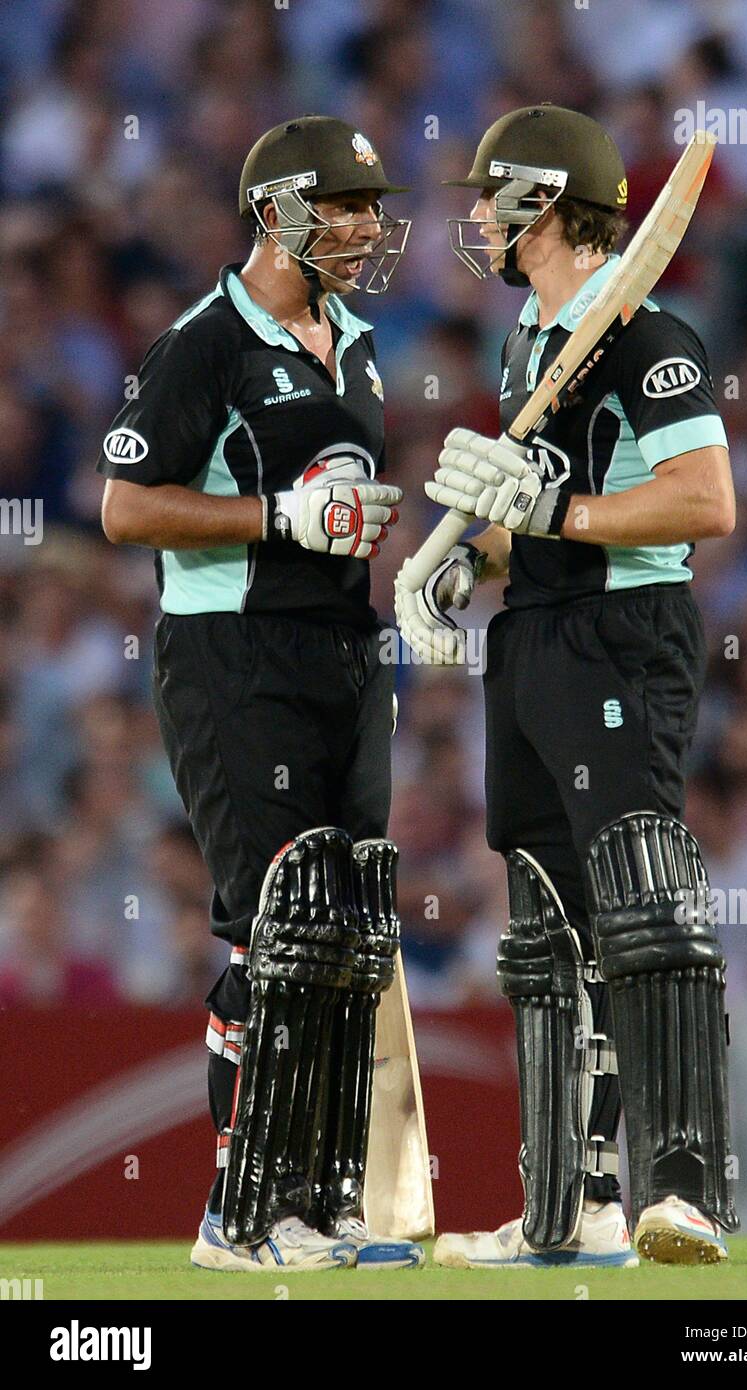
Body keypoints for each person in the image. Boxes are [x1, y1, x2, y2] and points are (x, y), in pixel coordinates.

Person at [397, 104, 739, 1267]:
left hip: (621, 629)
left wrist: (556, 514)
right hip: (534, 630)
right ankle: (567, 1207)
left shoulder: (646, 332)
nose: (477, 219)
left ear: (541, 199)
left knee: (641, 898)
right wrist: (465, 556)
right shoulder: (530, 343)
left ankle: (686, 1187)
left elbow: (703, 500)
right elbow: (534, 517)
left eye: (491, 196)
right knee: (547, 929)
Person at [99, 115, 423, 1271]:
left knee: (344, 933)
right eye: (347, 205)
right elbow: (127, 506)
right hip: (231, 652)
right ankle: (237, 1211)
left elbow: (347, 500)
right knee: (276, 926)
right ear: (283, 209)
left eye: (373, 206)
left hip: (342, 649)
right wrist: (274, 517)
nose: (370, 226)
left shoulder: (358, 335)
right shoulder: (203, 341)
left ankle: (318, 1199)